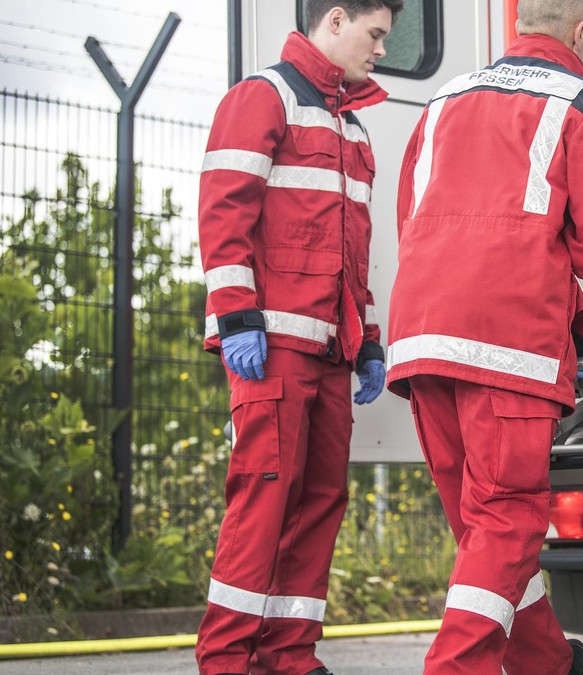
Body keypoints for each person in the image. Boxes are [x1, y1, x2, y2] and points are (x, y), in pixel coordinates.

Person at [386, 0, 583, 672]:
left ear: (519, 26)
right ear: (582, 33)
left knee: (484, 532)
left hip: (422, 336)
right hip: (511, 339)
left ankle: (545, 662)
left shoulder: (444, 99)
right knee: (506, 518)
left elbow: (410, 213)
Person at [194, 1, 402, 673]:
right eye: (375, 35)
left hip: (332, 351)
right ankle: (226, 659)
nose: (380, 51)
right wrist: (236, 314)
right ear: (335, 20)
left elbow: (354, 252)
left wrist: (369, 340)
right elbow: (223, 210)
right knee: (264, 496)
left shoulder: (354, 129)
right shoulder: (264, 97)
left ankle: (288, 654)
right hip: (272, 345)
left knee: (320, 502)